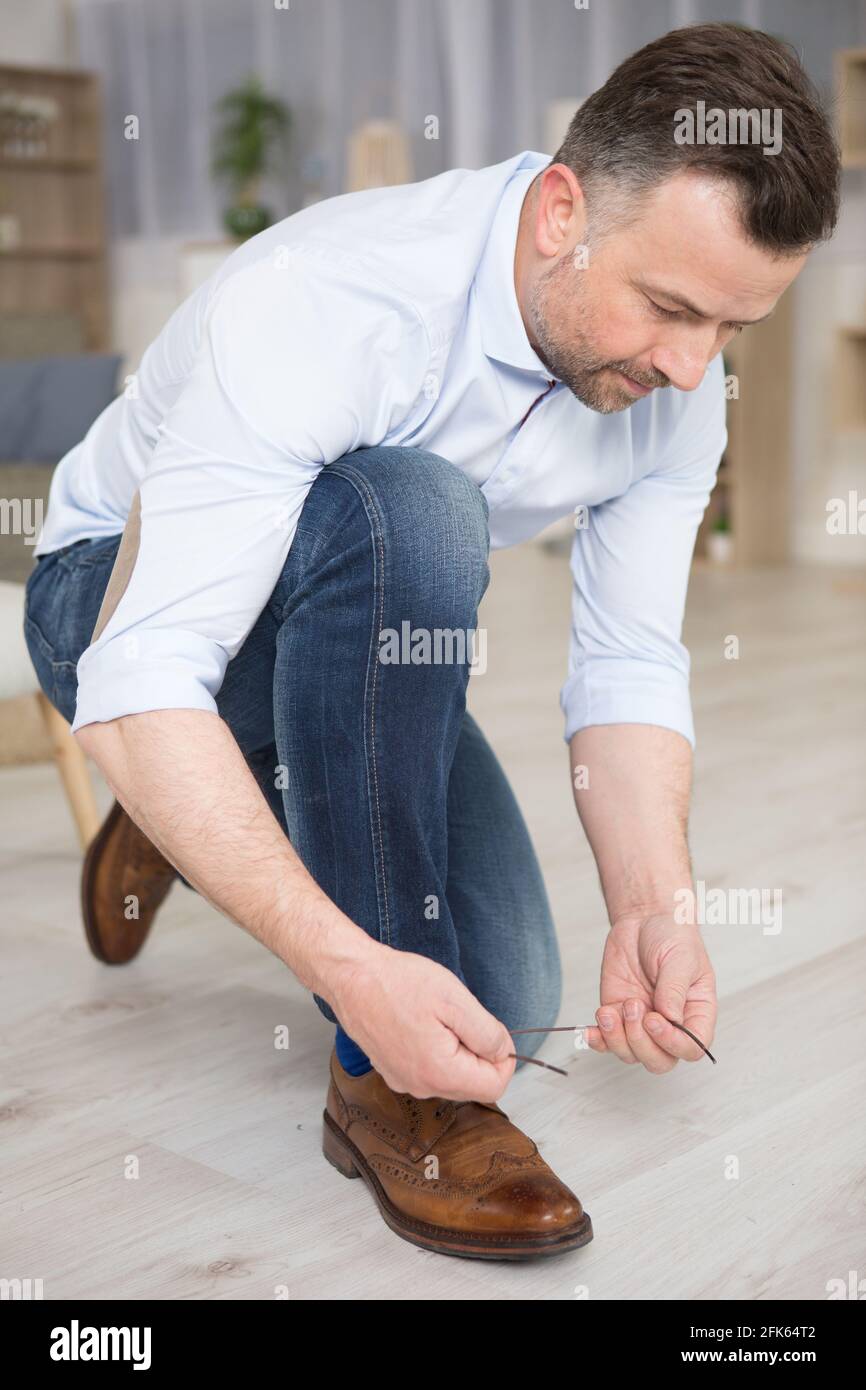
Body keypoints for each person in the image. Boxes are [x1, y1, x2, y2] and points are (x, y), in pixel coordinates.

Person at [24, 22, 839, 1259]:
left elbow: (625, 664)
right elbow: (143, 676)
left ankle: (194, 797)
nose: (688, 369)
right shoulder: (328, 299)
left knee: (499, 1005)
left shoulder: (673, 387)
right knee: (413, 508)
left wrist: (651, 906)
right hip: (112, 607)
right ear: (562, 210)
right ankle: (379, 1091)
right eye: (671, 309)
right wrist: (356, 979)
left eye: (731, 330)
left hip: (344, 636)